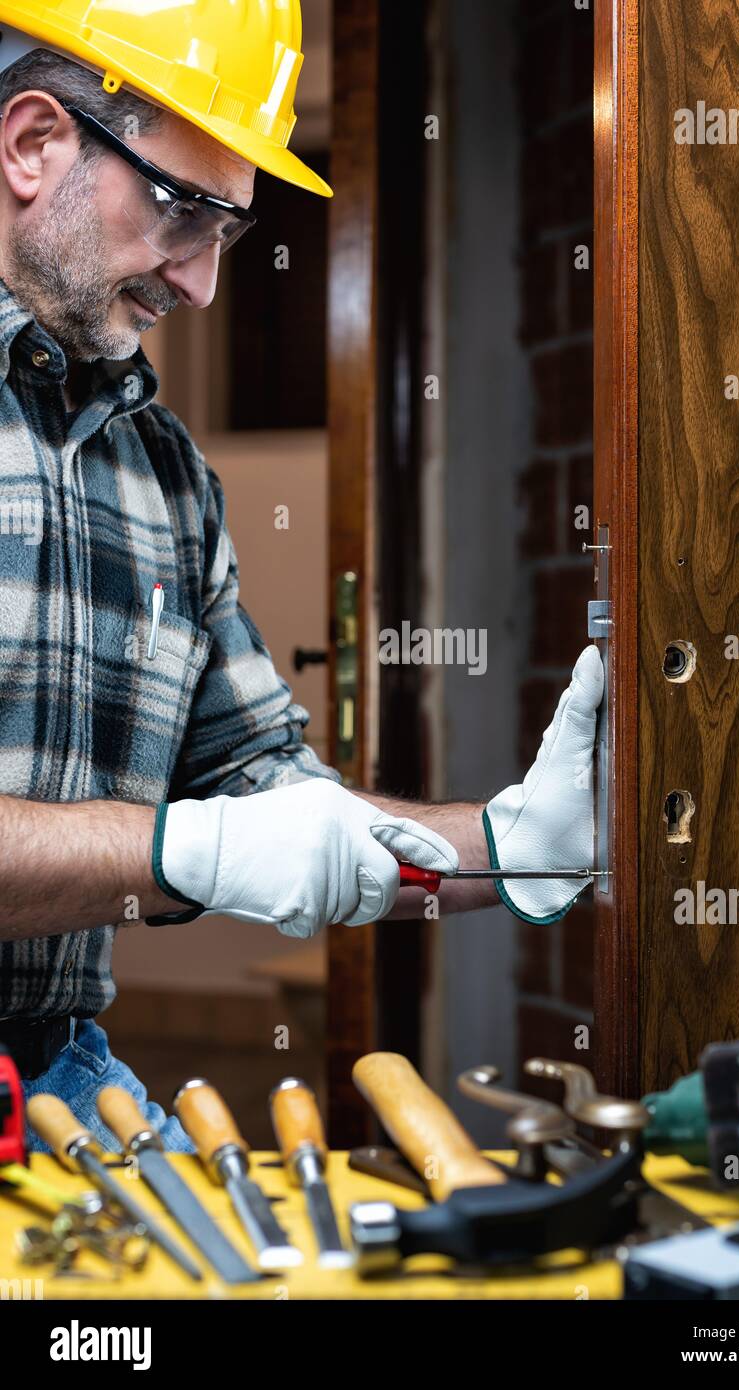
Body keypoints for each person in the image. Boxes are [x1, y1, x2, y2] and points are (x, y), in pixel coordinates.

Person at [0, 0, 604, 1152]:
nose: (204, 282)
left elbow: (262, 788)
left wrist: (513, 845)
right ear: (33, 143)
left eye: (228, 231)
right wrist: (187, 851)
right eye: (183, 210)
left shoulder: (163, 473)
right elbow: (220, 839)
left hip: (58, 1077)